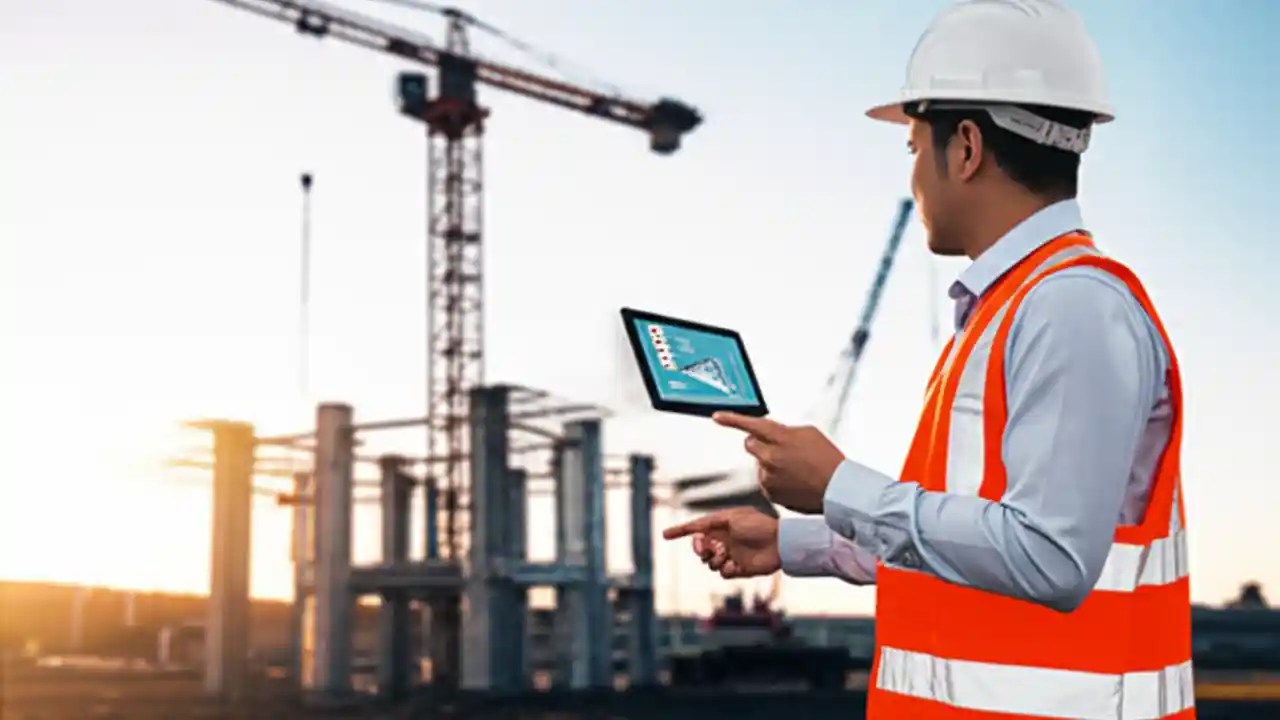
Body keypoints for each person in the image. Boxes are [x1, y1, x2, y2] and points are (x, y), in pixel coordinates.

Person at [663, 1, 1195, 718]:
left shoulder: (1070, 308)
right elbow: (970, 540)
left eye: (915, 146)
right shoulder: (1008, 311)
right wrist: (794, 542)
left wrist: (839, 485)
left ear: (966, 147)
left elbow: (1049, 559)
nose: (914, 175)